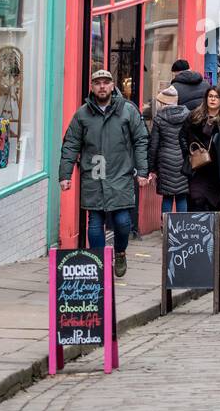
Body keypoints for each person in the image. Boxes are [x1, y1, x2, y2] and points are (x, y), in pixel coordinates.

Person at [59, 69, 151, 277]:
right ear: (92, 87)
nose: (102, 86)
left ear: (112, 86)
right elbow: (71, 144)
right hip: (93, 176)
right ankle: (99, 265)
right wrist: (65, 175)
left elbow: (141, 140)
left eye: (105, 83)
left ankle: (120, 253)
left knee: (122, 221)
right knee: (94, 223)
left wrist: (142, 170)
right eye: (97, 83)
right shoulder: (83, 114)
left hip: (121, 174)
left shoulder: (127, 110)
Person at [181, 85, 220, 213]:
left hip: (218, 170)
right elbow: (182, 135)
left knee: (213, 206)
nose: (213, 99)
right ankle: (196, 232)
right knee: (196, 200)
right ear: (206, 98)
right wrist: (188, 154)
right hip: (198, 169)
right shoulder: (195, 116)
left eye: (216, 97)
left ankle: (213, 232)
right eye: (210, 96)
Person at [148, 85, 190, 214]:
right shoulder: (188, 115)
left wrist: (151, 168)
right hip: (183, 160)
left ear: (164, 102)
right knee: (182, 196)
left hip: (165, 162)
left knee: (167, 196)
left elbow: (153, 145)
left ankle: (166, 228)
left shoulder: (159, 118)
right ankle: (183, 227)